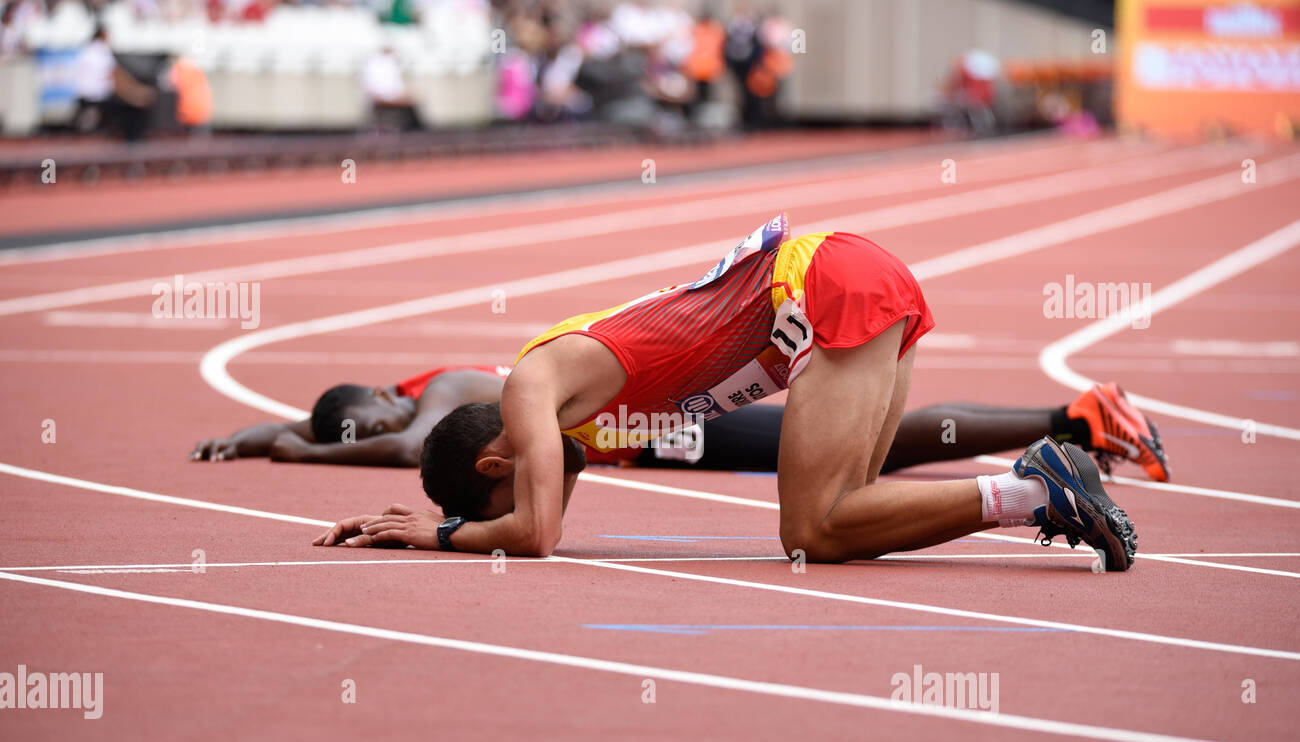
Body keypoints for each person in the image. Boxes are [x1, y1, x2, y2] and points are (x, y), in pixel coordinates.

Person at [313, 215, 1142, 570]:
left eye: (501, 487)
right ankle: (1036, 491)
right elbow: (544, 521)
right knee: (845, 512)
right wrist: (475, 519)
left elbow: (533, 535)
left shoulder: (533, 381)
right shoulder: (583, 434)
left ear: (500, 455)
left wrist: (440, 533)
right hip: (845, 280)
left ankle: (1040, 488)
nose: (535, 485)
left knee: (809, 531)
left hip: (820, 285)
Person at [193, 363, 1169, 481]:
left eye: (349, 430)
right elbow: (370, 424)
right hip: (655, 426)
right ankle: (1066, 423)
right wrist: (260, 431)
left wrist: (284, 446)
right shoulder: (428, 383)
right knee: (868, 449)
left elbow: (401, 445)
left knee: (865, 451)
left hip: (663, 430)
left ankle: (1070, 420)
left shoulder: (443, 394)